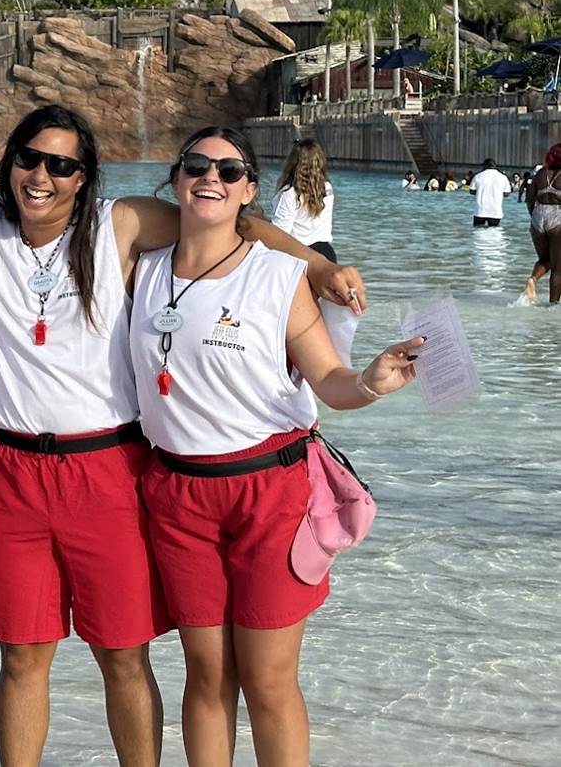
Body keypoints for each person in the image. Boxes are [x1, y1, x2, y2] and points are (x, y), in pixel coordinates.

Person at [0, 107, 362, 767]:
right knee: (21, 654)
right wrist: (7, 329)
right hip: (13, 470)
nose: (42, 175)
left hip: (108, 464)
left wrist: (313, 267)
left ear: (84, 177)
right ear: (8, 162)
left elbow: (231, 227)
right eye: (29, 158)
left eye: (62, 165)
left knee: (123, 651)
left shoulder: (120, 224)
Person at [129, 126, 420, 767]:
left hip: (272, 490)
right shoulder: (141, 271)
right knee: (206, 677)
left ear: (249, 190)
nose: (211, 178)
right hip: (176, 492)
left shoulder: (279, 276)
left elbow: (331, 384)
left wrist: (371, 382)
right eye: (196, 166)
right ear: (176, 178)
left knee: (266, 679)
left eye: (229, 172)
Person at [270, 139, 336, 260]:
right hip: (327, 254)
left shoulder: (290, 193)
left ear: (293, 163)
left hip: (301, 255)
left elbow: (279, 234)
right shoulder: (327, 188)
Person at [524, 143, 561, 304]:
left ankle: (533, 279)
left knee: (545, 259)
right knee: (558, 269)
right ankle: (553, 305)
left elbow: (529, 198)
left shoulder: (540, 173)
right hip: (558, 219)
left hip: (538, 219)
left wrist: (534, 217)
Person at [469, 157, 511, 228]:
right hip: (495, 211)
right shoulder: (503, 177)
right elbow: (507, 193)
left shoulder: (478, 176)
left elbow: (472, 191)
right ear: (495, 166)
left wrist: (481, 192)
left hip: (480, 211)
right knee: (494, 234)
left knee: (478, 233)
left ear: (484, 166)